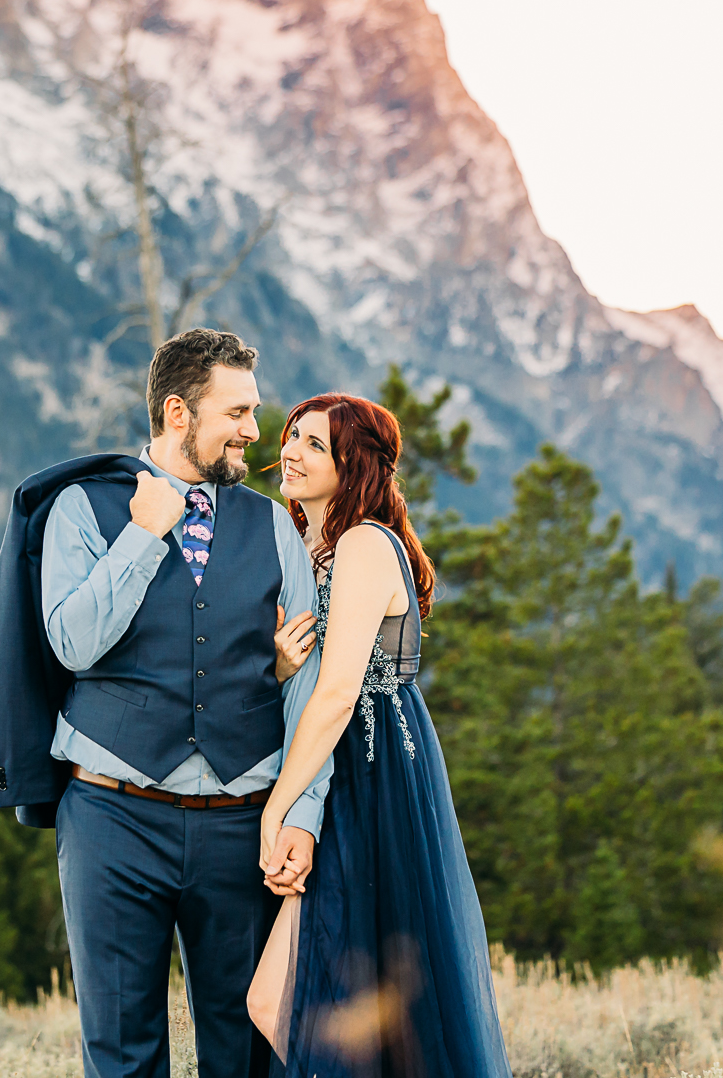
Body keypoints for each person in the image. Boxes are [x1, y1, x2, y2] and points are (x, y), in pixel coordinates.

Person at [0, 328, 329, 1078]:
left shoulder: (274, 526)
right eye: (237, 412)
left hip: (242, 826)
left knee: (245, 1050)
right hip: (112, 819)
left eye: (254, 410)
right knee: (121, 1048)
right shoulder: (83, 508)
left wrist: (301, 813)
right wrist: (143, 535)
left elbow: (309, 687)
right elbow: (72, 642)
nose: (253, 430)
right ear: (179, 412)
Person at [246, 393, 512, 1078]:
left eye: (313, 444)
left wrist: (278, 807)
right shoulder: (309, 547)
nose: (291, 453)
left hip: (374, 772)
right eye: (291, 437)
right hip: (338, 774)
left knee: (290, 1001)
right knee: (321, 1010)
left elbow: (339, 692)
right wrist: (280, 665)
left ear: (351, 463)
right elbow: (308, 680)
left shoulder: (364, 542)